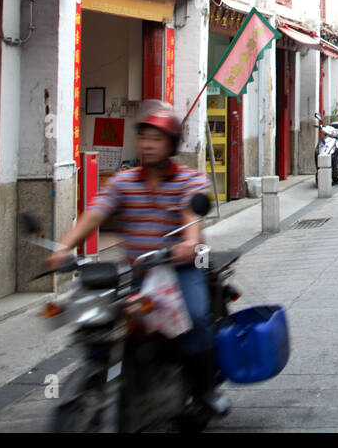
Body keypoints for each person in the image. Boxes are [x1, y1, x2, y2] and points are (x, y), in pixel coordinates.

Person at [45, 99, 228, 416]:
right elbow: (94, 214)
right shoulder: (124, 181)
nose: (147, 145)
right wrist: (64, 247)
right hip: (139, 272)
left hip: (179, 270)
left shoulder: (189, 181)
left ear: (171, 144)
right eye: (144, 138)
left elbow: (191, 224)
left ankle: (204, 390)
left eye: (156, 139)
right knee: (98, 318)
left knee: (197, 318)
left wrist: (188, 243)